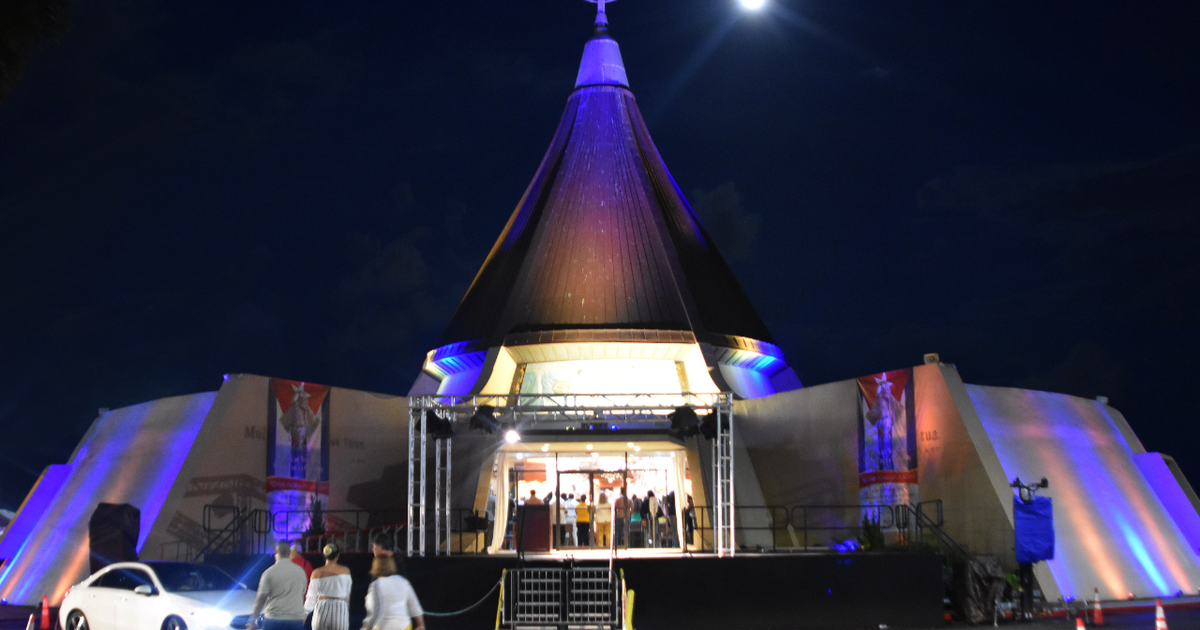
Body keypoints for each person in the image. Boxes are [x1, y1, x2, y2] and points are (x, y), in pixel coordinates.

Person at [248, 541, 308, 630]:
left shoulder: (268, 573)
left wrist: (252, 622)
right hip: (295, 621)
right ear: (290, 553)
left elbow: (260, 599)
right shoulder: (301, 572)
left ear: (275, 552)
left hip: (273, 620)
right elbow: (302, 592)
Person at [364, 554, 426, 630]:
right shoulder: (403, 582)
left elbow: (373, 611)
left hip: (382, 626)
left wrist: (367, 627)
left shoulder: (375, 585)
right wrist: (420, 625)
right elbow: (414, 605)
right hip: (404, 625)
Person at [305, 543, 351, 630]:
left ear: (324, 555)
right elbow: (347, 595)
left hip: (321, 608)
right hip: (340, 609)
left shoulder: (317, 573)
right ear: (338, 555)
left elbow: (311, 598)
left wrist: (304, 613)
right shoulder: (346, 571)